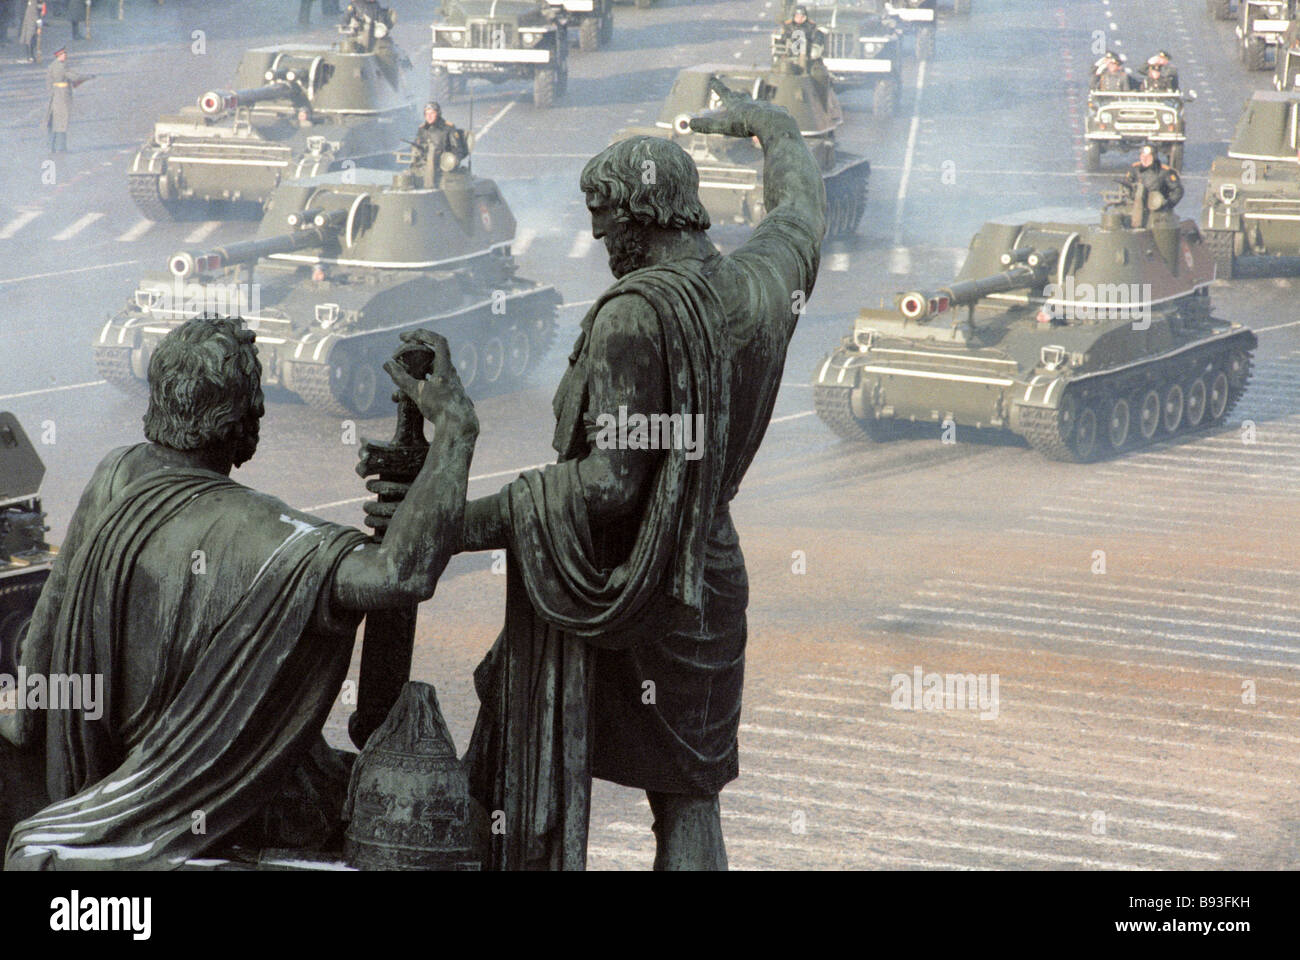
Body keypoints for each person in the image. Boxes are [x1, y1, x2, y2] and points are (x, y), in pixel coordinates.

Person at [454, 79, 825, 870]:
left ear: (636, 220)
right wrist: (774, 126)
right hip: (708, 578)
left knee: (511, 709)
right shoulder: (765, 285)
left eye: (606, 229)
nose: (603, 248)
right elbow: (800, 211)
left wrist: (463, 523)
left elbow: (612, 485)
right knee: (688, 792)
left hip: (617, 582)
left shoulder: (633, 314)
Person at [1, 318, 479, 870]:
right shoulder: (271, 537)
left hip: (91, 788)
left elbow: (50, 616)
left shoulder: (117, 474)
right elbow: (403, 575)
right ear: (242, 421)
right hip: (218, 812)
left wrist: (26, 717)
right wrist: (457, 429)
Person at [411, 101, 469, 184]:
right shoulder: (422, 129)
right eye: (426, 114)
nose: (429, 116)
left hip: (443, 166)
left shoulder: (448, 128)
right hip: (425, 165)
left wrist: (452, 161)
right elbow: (417, 145)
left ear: (438, 114)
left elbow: (458, 149)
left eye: (432, 113)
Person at [45, 47, 87, 153]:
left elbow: (48, 83)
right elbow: (73, 77)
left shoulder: (51, 66)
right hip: (63, 95)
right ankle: (61, 147)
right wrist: (86, 77)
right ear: (59, 55)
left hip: (55, 95)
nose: (65, 56)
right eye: (63, 54)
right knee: (62, 122)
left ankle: (52, 146)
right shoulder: (62, 67)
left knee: (54, 122)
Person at [1125, 144, 1183, 214]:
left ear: (1154, 157)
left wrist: (1167, 205)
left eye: (1148, 157)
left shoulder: (1165, 171)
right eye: (1143, 156)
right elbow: (1127, 185)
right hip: (1136, 208)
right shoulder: (1134, 169)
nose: (1145, 159)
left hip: (1157, 210)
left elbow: (1178, 190)